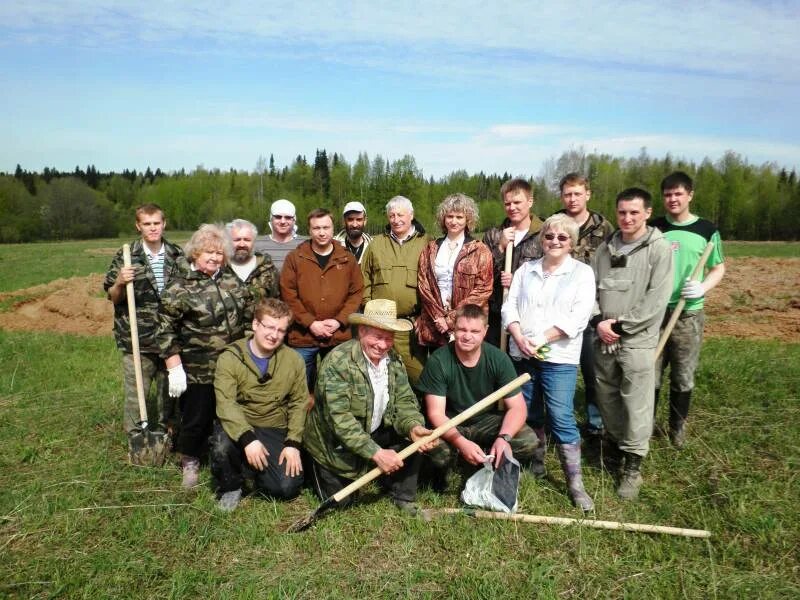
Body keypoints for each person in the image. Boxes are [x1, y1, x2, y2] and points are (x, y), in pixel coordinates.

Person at [303, 299, 437, 515]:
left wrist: (413, 426)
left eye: (389, 338)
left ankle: (402, 495)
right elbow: (340, 421)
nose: (383, 345)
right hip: (332, 443)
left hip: (372, 430)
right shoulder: (337, 362)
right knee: (343, 503)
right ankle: (314, 463)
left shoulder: (393, 360)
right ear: (362, 332)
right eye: (377, 337)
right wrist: (375, 453)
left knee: (412, 441)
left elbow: (404, 401)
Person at [502, 214, 596, 511]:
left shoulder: (581, 274)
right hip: (523, 353)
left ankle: (575, 483)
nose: (554, 241)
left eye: (562, 238)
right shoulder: (525, 270)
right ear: (541, 239)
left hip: (559, 357)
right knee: (529, 412)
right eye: (549, 236)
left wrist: (542, 338)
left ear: (572, 243)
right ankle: (536, 464)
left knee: (561, 415)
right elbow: (510, 305)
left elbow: (579, 317)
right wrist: (517, 335)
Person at [591, 188, 673, 500]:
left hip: (637, 340)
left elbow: (657, 299)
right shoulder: (604, 250)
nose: (627, 218)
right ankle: (613, 448)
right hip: (603, 336)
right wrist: (599, 321)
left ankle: (632, 467)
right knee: (607, 396)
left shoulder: (658, 249)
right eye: (622, 212)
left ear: (647, 213)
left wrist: (622, 327)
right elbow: (591, 291)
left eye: (634, 213)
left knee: (636, 402)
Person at [158, 224, 251, 489]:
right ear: (195, 253)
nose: (214, 257)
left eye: (219, 253)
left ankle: (230, 457)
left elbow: (247, 313)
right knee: (196, 417)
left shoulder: (231, 281)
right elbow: (164, 329)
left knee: (228, 415)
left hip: (232, 367)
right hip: (198, 369)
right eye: (208, 252)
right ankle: (190, 462)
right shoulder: (180, 287)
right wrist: (174, 364)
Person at [418, 304, 538, 491]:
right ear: (454, 329)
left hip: (484, 421)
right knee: (438, 454)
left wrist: (503, 438)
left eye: (474, 331)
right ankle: (454, 465)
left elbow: (518, 407)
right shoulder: (438, 360)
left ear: (485, 331)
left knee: (528, 440)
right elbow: (436, 414)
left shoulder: (498, 359)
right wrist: (461, 443)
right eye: (462, 329)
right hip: (450, 421)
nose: (467, 336)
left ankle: (489, 457)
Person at [211, 298, 308, 512]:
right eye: (270, 327)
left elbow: (299, 402)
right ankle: (231, 486)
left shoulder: (294, 360)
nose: (274, 335)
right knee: (221, 444)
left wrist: (293, 443)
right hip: (240, 424)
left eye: (281, 330)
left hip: (274, 425)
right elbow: (226, 403)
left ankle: (252, 471)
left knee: (286, 488)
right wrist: (247, 438)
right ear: (255, 324)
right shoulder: (230, 358)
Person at [651, 171, 726, 448]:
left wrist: (703, 287)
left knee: (683, 375)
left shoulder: (706, 230)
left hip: (688, 313)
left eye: (678, 194)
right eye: (668, 194)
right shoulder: (655, 228)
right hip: (657, 313)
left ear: (690, 195)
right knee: (652, 372)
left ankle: (677, 428)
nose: (673, 199)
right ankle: (646, 427)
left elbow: (718, 267)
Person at [104, 203, 185, 438]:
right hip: (137, 338)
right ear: (138, 226)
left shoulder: (176, 254)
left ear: (164, 224)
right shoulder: (127, 255)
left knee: (169, 393)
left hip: (170, 338)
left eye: (156, 223)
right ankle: (136, 438)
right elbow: (113, 297)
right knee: (135, 392)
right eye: (147, 224)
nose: (153, 228)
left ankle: (166, 435)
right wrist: (119, 281)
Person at [555, 173, 615, 443]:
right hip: (559, 309)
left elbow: (613, 266)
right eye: (568, 194)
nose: (572, 199)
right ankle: (557, 423)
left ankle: (595, 426)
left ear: (587, 194)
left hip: (592, 311)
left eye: (577, 193)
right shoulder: (556, 223)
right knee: (558, 370)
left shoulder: (603, 228)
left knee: (593, 372)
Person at [280, 208, 363, 392]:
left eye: (326, 227)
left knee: (337, 389)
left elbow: (356, 293)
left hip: (338, 335)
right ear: (309, 230)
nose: (322, 232)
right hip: (303, 336)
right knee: (300, 389)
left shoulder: (347, 259)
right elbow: (288, 295)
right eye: (316, 228)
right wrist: (310, 323)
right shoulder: (295, 258)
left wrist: (338, 320)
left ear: (334, 229)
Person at [360, 196, 430, 386]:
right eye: (392, 215)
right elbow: (363, 278)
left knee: (417, 378)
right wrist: (369, 309)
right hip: (379, 324)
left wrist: (425, 315)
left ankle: (418, 412)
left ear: (411, 215)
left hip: (411, 326)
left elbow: (433, 283)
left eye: (401, 214)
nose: (396, 219)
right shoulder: (376, 244)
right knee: (377, 376)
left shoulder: (426, 243)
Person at [417, 193, 493, 349]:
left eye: (459, 217)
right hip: (434, 323)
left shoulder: (480, 250)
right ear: (443, 219)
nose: (454, 221)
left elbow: (483, 289)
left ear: (468, 220)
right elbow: (423, 285)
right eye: (450, 216)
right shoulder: (431, 248)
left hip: (466, 323)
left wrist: (451, 319)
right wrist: (439, 317)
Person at [483, 178, 544, 347]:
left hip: (529, 315)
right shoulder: (493, 235)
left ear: (530, 201)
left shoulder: (545, 235)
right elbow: (482, 274)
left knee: (524, 366)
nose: (512, 208)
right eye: (507, 203)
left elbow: (551, 274)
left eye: (517, 202)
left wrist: (518, 281)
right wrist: (500, 248)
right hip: (497, 314)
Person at [225, 219, 279, 327]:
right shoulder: (220, 267)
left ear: (253, 241)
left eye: (247, 240)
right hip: (226, 335)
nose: (242, 244)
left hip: (258, 332)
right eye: (237, 239)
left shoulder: (267, 268)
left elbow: (275, 301)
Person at [253, 199, 307, 273]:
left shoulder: (306, 244)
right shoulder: (257, 244)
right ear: (271, 218)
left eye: (288, 217)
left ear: (294, 219)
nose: (283, 221)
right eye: (278, 217)